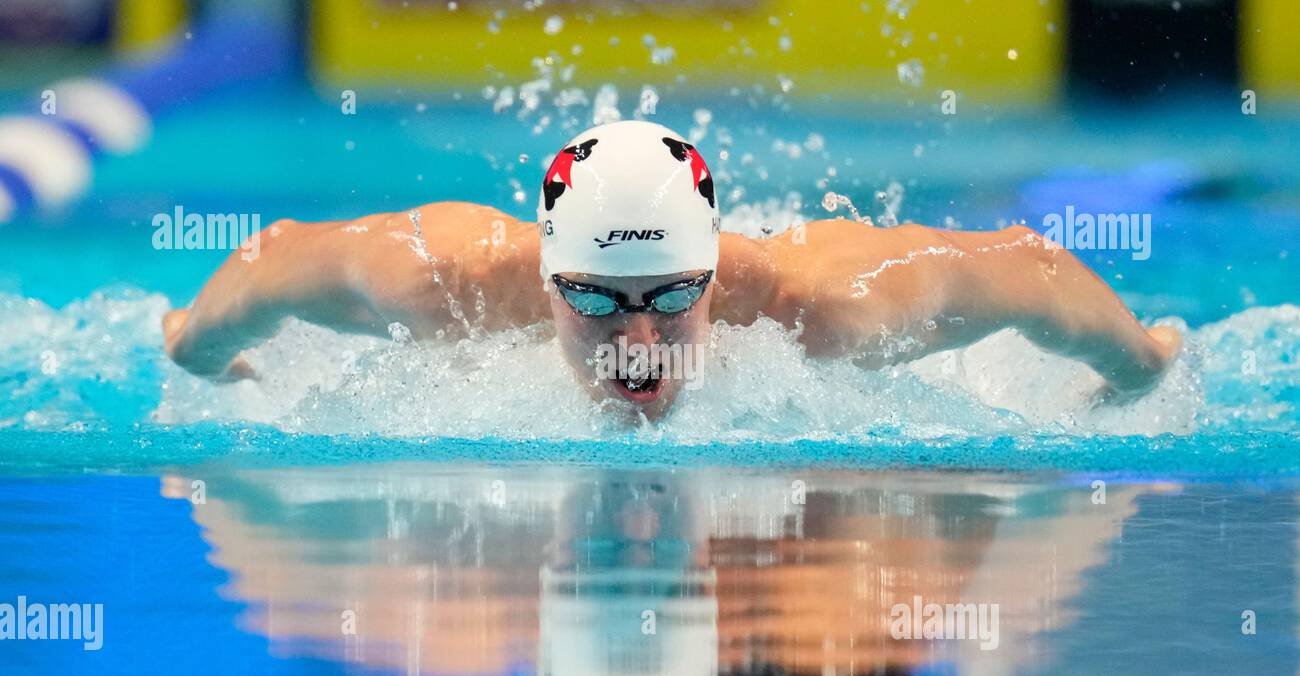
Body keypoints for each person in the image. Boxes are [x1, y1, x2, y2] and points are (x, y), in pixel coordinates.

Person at [163, 119, 1181, 419]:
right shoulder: (440, 279)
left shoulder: (829, 304)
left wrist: (1136, 363)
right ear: (546, 276)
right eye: (596, 300)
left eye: (672, 299)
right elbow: (268, 260)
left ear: (712, 274)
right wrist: (199, 354)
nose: (637, 344)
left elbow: (1026, 267)